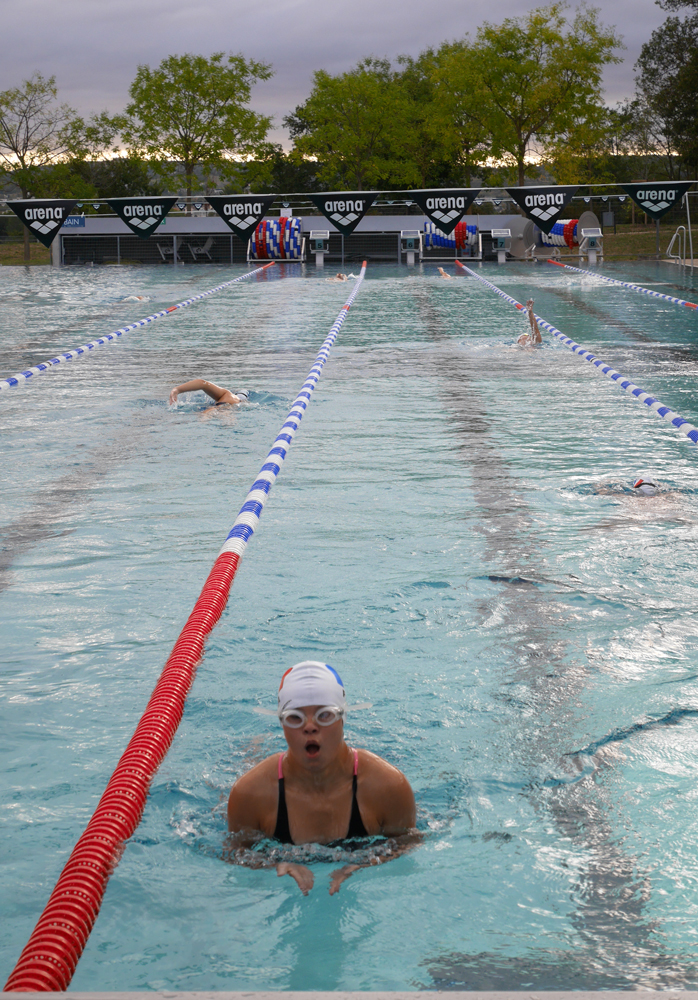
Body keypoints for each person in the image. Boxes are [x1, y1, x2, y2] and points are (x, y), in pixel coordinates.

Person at [227, 661, 417, 896]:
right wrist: (271, 865)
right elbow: (234, 854)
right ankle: (253, 748)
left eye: (324, 715)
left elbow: (408, 844)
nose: (310, 727)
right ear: (281, 723)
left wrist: (368, 865)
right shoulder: (250, 794)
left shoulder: (387, 787)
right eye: (295, 717)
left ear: (342, 717)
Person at [168, 379, 248, 410]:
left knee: (210, 413)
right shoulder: (229, 395)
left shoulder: (226, 393)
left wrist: (176, 390)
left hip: (228, 403)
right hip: (230, 404)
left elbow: (202, 383)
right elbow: (202, 383)